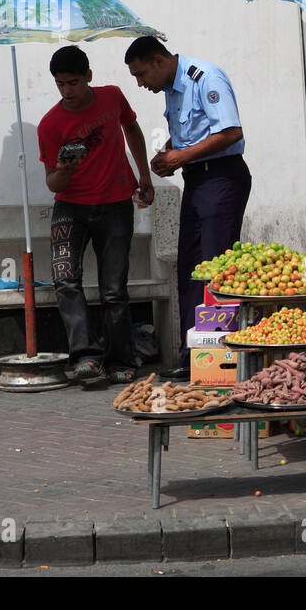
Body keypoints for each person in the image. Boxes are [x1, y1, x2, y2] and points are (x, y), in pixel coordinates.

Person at [124, 36, 251, 379]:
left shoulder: (205, 78)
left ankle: (219, 353)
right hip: (197, 181)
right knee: (191, 267)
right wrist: (170, 153)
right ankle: (192, 353)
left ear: (159, 61)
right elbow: (192, 135)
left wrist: (180, 156)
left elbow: (231, 132)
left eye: (141, 74)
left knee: (213, 267)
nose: (140, 84)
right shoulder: (171, 86)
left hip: (222, 179)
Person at [37, 45, 154, 387]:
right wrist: (65, 170)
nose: (67, 91)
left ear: (89, 76)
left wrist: (143, 175)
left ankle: (121, 358)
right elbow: (51, 183)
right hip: (70, 208)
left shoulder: (112, 97)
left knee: (114, 289)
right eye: (60, 84)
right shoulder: (50, 124)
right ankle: (85, 357)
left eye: (73, 82)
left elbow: (132, 129)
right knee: (65, 280)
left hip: (116, 204)